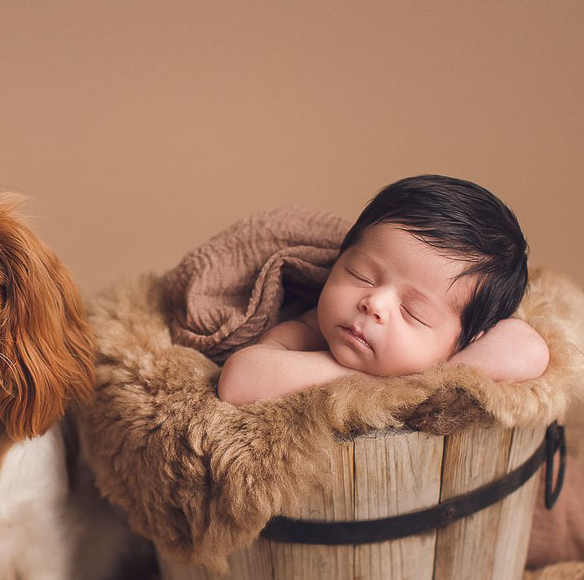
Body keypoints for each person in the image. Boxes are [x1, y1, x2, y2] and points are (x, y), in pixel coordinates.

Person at [217, 174, 550, 406]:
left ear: (462, 342)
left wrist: (432, 377)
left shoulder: (453, 355)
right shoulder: (311, 330)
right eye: (362, 275)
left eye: (412, 311)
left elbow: (530, 351)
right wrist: (371, 380)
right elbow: (238, 379)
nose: (373, 302)